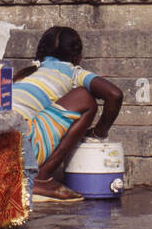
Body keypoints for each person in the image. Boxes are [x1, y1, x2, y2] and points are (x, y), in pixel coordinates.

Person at [13, 27, 123, 202]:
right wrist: (98, 133)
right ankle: (41, 179)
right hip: (21, 146)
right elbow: (114, 95)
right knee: (85, 98)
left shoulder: (25, 75)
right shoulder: (73, 73)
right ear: (76, 56)